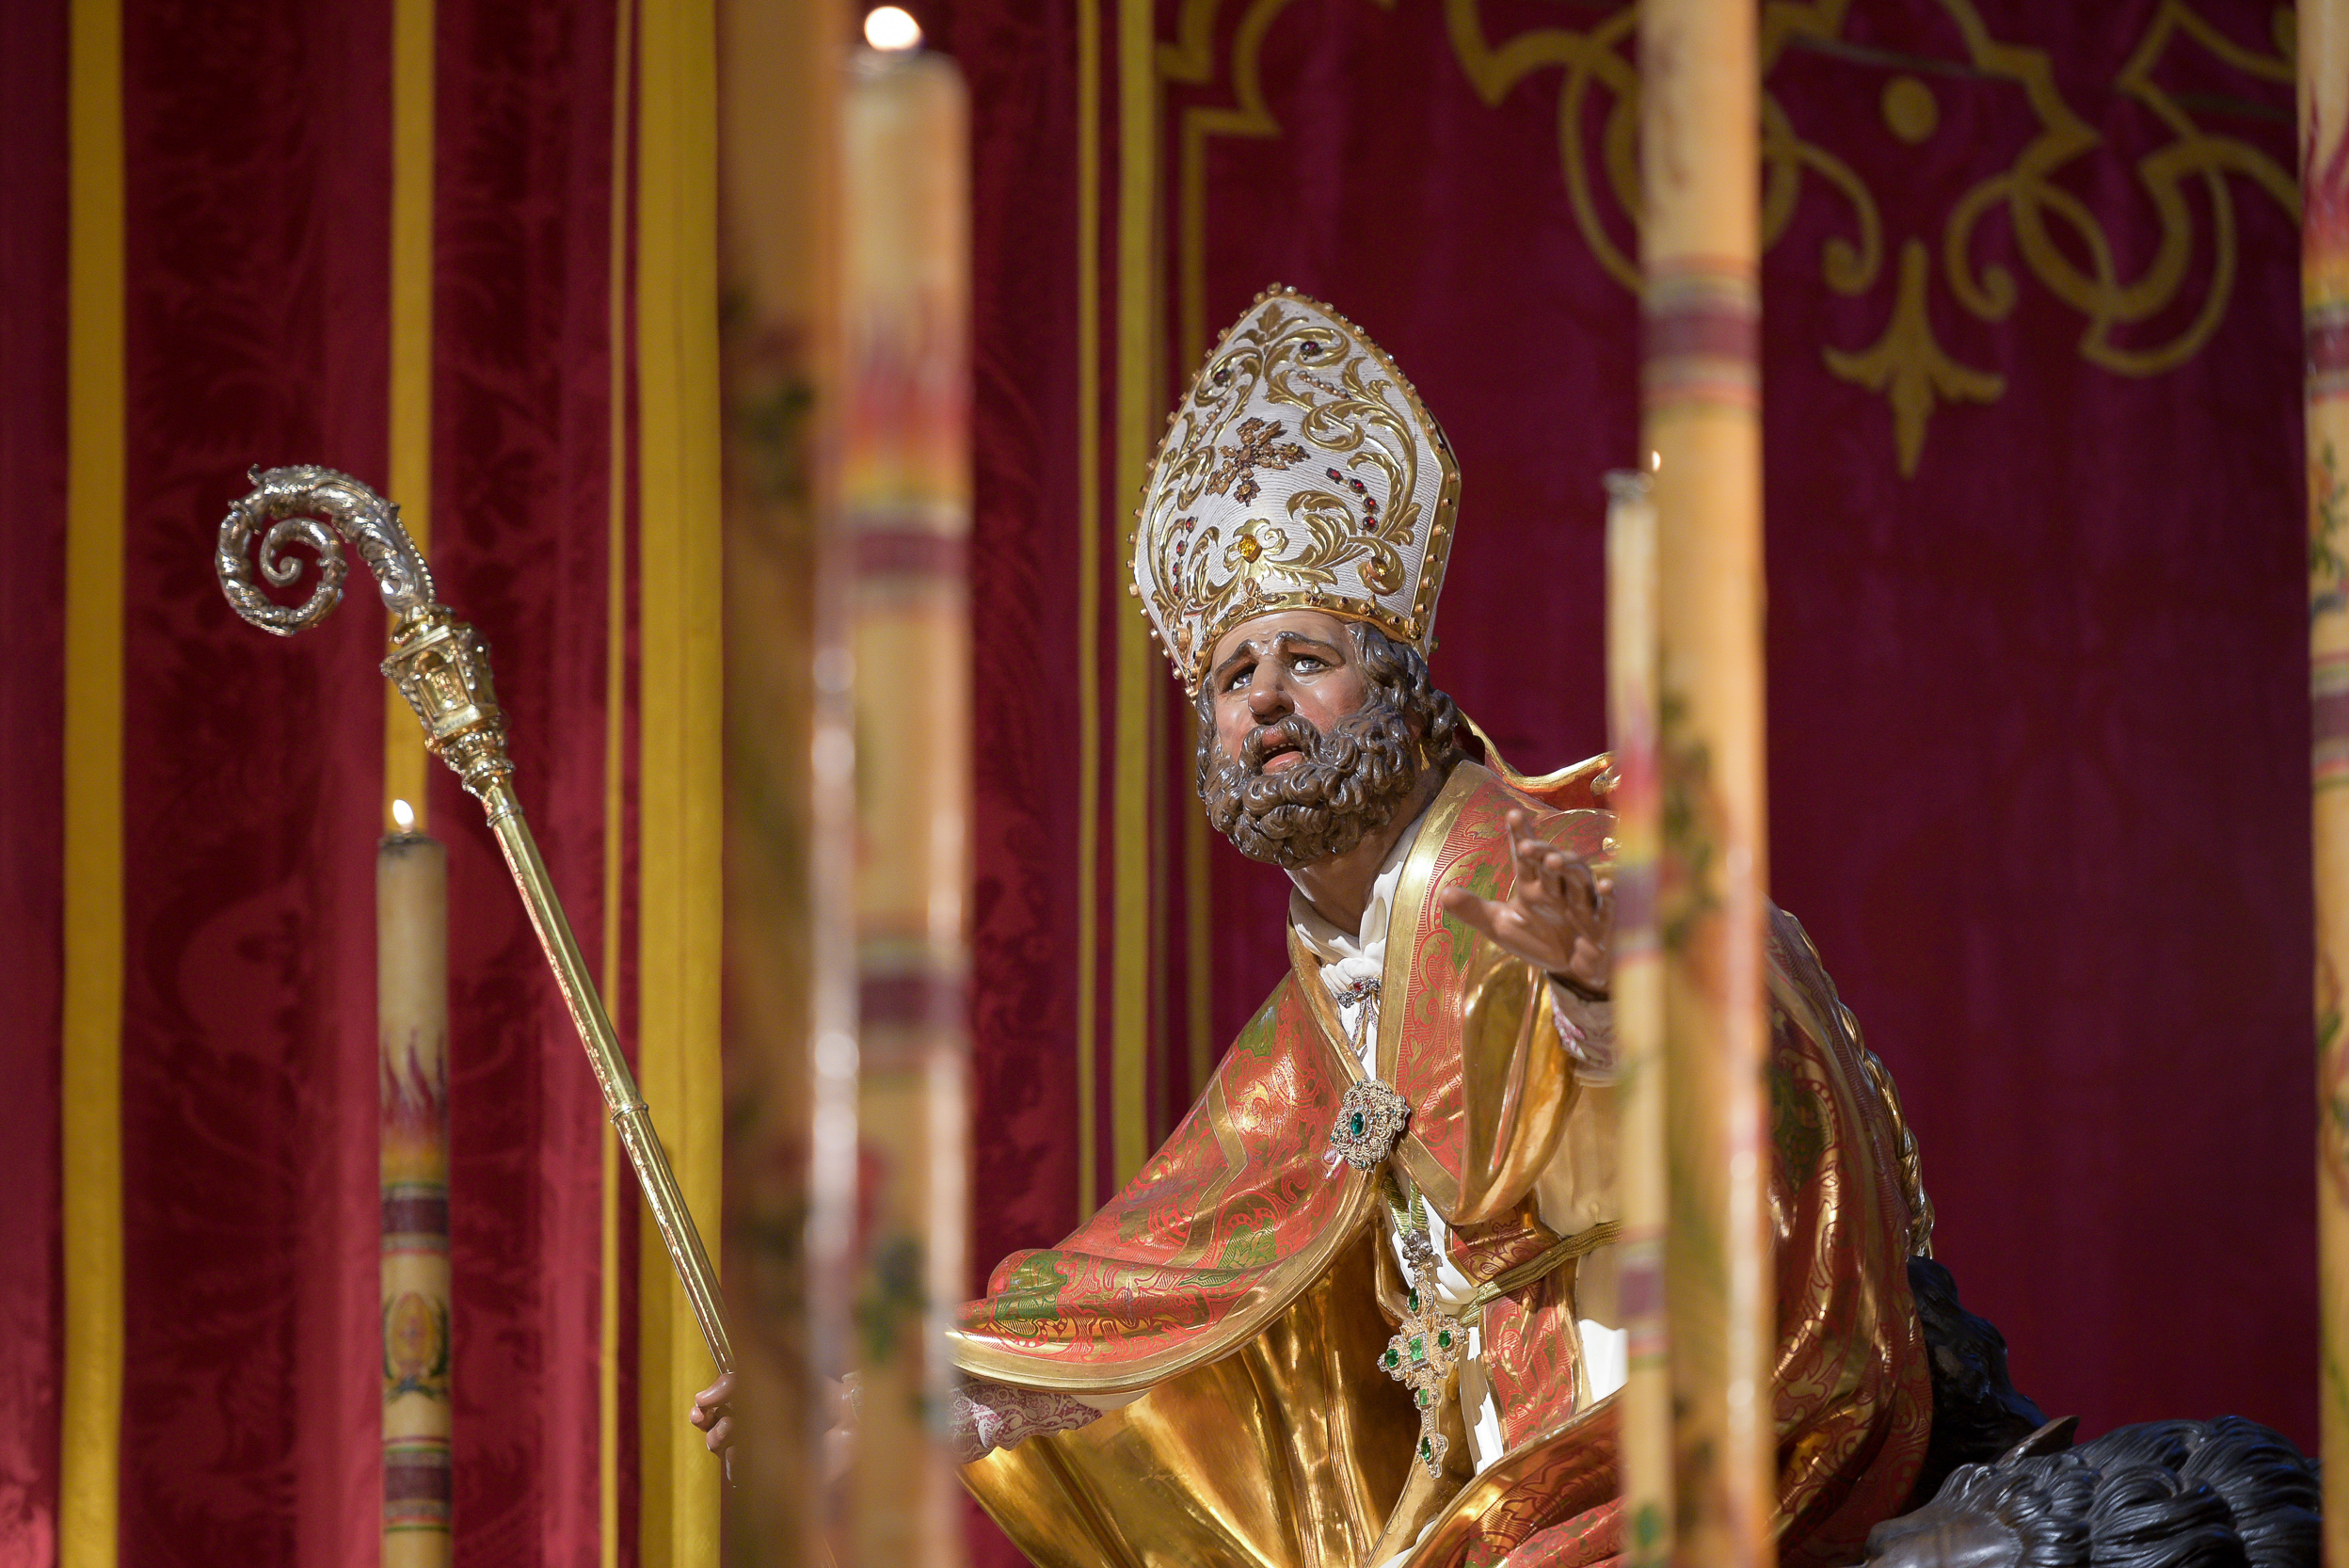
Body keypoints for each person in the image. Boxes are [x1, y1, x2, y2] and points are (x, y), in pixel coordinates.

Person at [696, 288, 1936, 1568]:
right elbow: (1152, 1287)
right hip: (1483, 1465)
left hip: (1653, 1420)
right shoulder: (1316, 1008)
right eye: (1235, 677)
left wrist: (1602, 1007)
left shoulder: (1558, 868)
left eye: (1306, 657)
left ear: (1395, 689)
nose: (1269, 702)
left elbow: (1697, 1131)